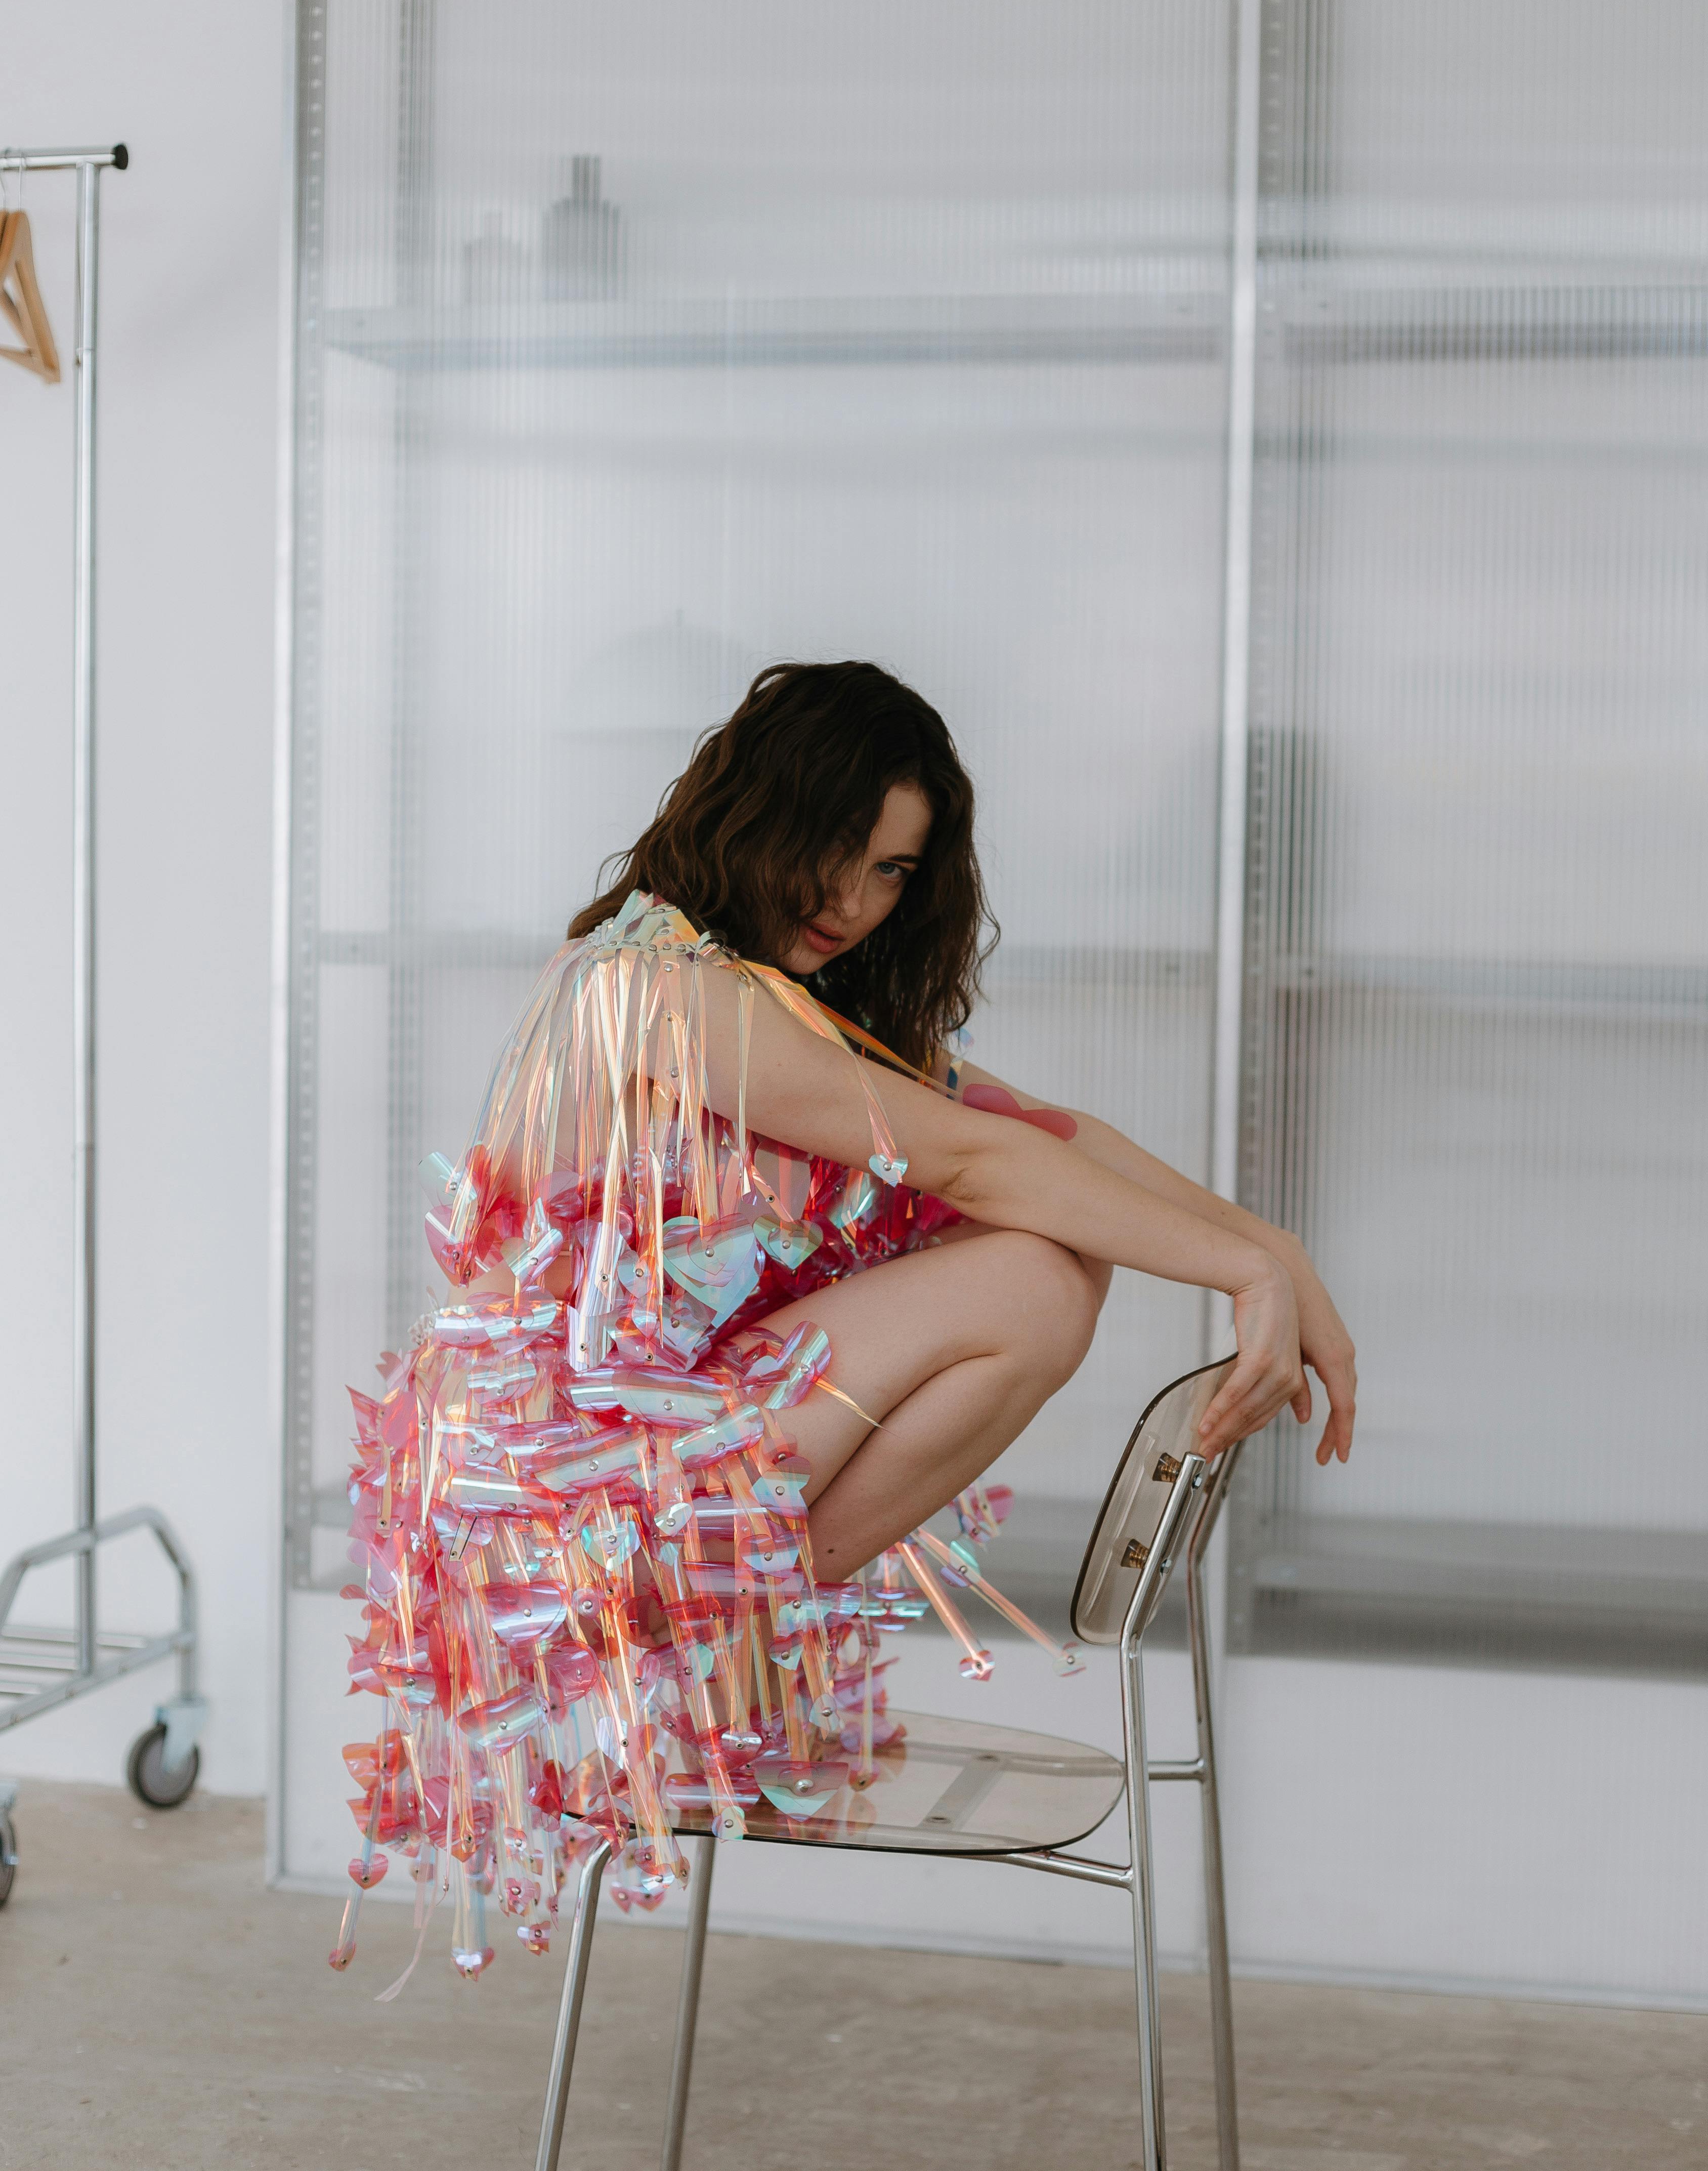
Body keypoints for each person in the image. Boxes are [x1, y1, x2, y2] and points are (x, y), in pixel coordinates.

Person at [334, 660, 1355, 1978]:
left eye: (891, 873)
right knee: (1036, 1279)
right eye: (836, 850)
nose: (853, 901)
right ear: (755, 813)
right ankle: (711, 1634)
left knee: (1051, 1255)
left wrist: (1274, 1255)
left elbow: (1049, 1137)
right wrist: (1244, 1277)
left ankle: (722, 1628)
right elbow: (979, 1163)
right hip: (542, 1514)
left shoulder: (775, 1003)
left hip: (651, 1466)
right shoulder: (653, 988)